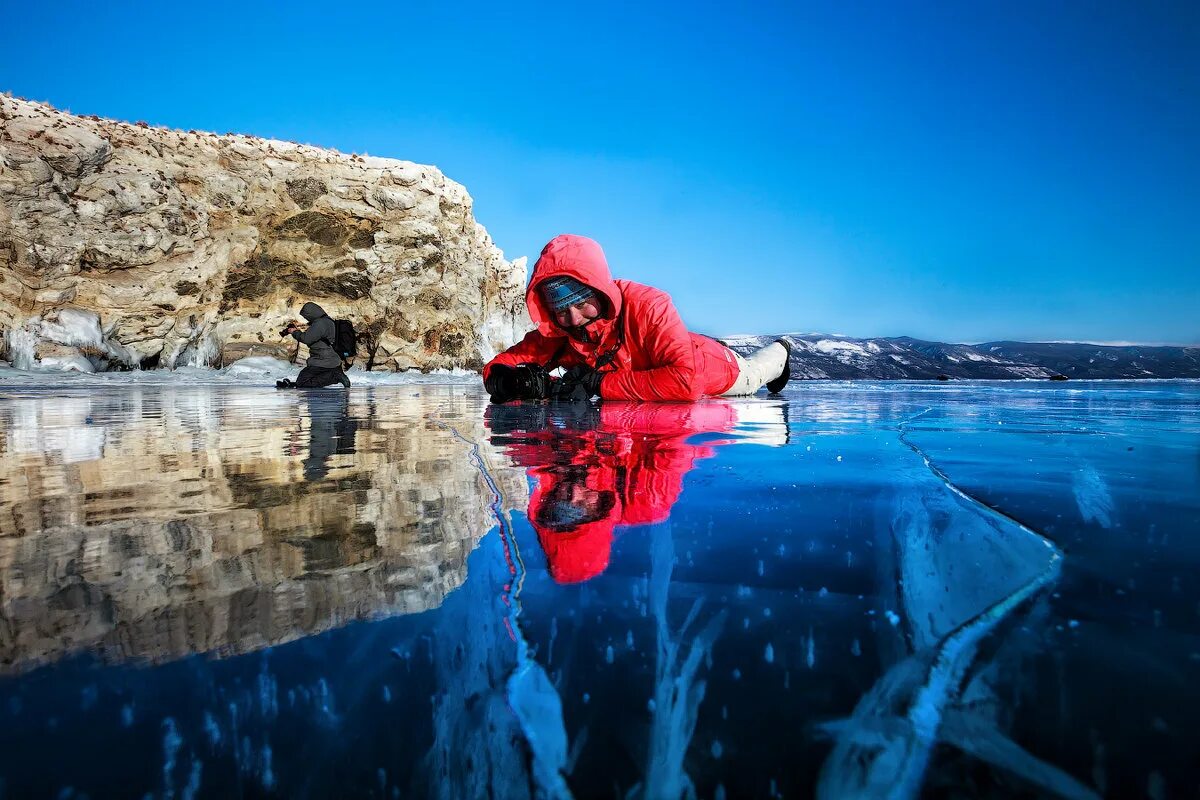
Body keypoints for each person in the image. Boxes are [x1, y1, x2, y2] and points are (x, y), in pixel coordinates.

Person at [482, 234, 790, 403]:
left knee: (757, 373)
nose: (574, 319)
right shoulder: (561, 331)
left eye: (581, 303)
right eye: (561, 310)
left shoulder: (650, 305)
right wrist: (509, 380)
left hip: (716, 368)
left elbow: (686, 383)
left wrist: (597, 383)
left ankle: (782, 349)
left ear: (599, 290)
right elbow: (500, 365)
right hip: (676, 349)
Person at [276, 302, 351, 389]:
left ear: (311, 314)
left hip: (323, 360)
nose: (306, 318)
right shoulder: (326, 321)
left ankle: (336, 377)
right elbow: (315, 335)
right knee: (303, 379)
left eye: (306, 316)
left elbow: (306, 338)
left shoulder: (320, 323)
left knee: (303, 382)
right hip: (327, 359)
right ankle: (334, 375)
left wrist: (294, 332)